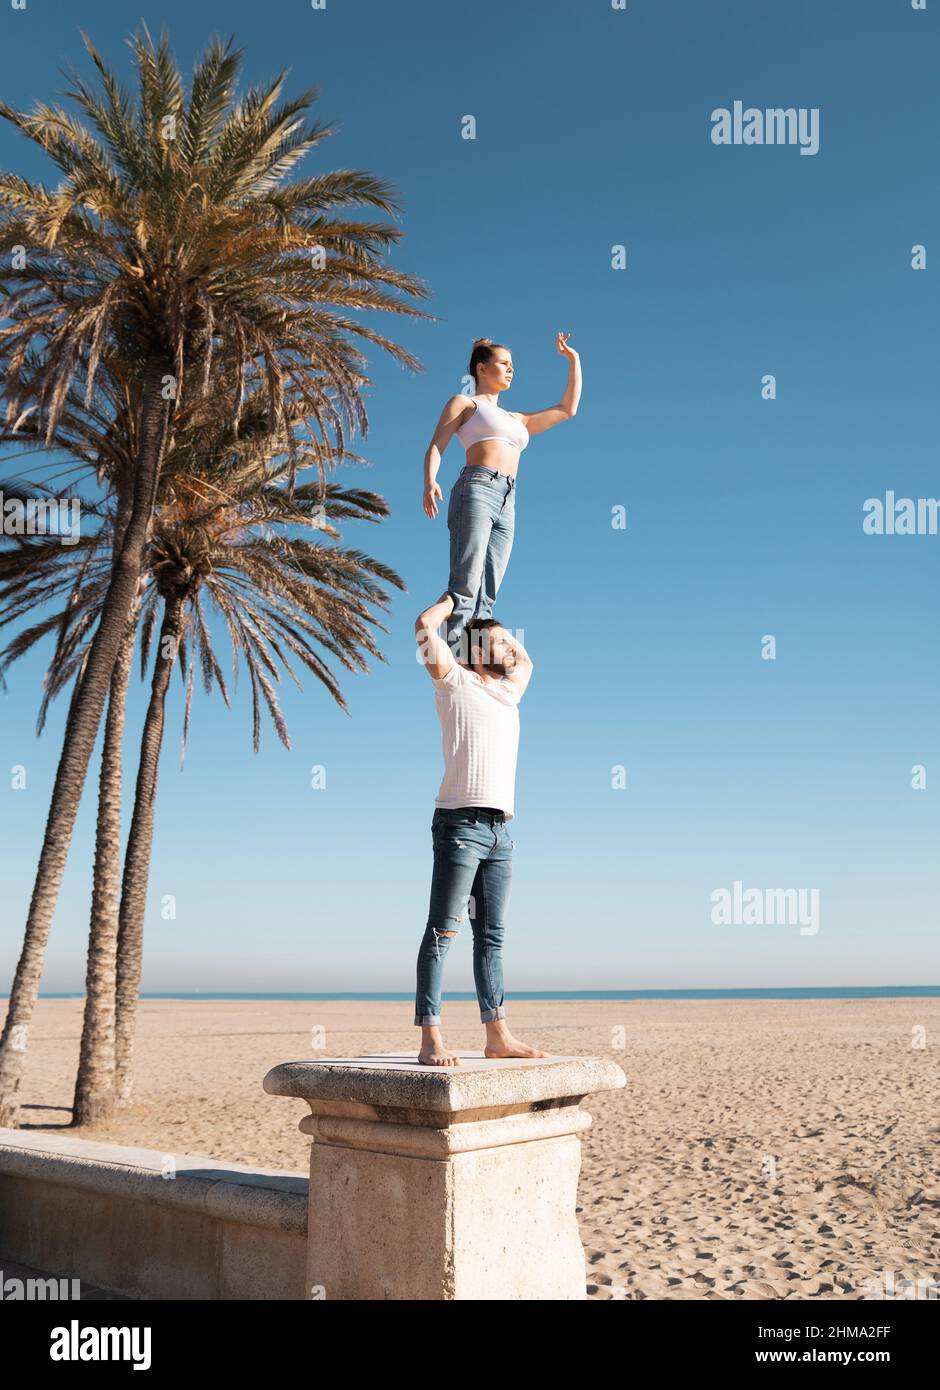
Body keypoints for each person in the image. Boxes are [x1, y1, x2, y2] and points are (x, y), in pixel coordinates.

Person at [413, 590, 544, 1067]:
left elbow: (527, 661)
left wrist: (495, 625)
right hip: (460, 824)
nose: (511, 647)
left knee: (491, 936)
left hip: (500, 833)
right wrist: (458, 598)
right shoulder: (453, 682)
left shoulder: (509, 693)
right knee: (442, 932)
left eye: (511, 640)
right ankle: (431, 1036)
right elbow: (425, 628)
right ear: (472, 651)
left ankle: (497, 1034)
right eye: (501, 642)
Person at [422, 332, 581, 658]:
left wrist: (573, 360)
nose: (511, 370)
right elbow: (437, 444)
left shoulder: (517, 419)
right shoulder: (465, 403)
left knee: (488, 592)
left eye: (513, 365)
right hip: (477, 487)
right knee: (466, 582)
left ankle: (478, 661)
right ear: (481, 368)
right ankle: (456, 662)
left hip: (509, 497)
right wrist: (430, 480)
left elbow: (567, 409)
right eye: (504, 364)